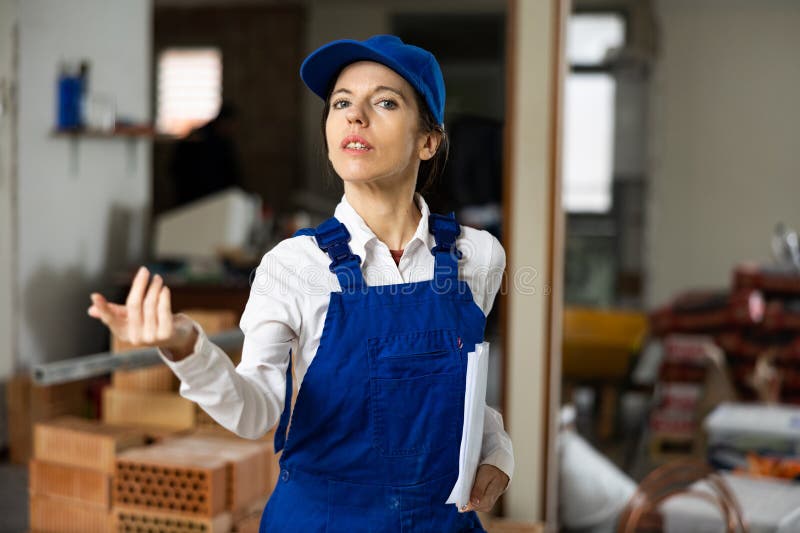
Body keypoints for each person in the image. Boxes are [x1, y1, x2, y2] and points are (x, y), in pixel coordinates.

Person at [88, 35, 513, 532]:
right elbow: (255, 412)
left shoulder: (477, 257)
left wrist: (496, 449)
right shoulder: (292, 265)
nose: (356, 117)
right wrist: (186, 348)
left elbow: (457, 388)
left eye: (385, 101)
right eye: (341, 103)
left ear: (428, 140)